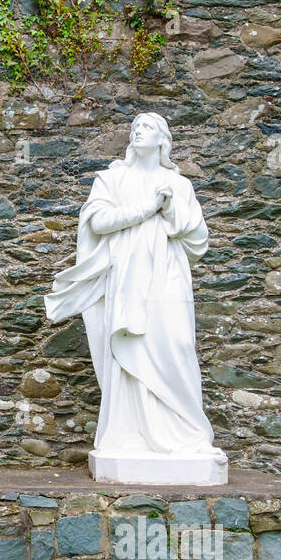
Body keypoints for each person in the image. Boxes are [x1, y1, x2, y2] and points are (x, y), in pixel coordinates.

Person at [45, 113, 226, 468]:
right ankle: (128, 435)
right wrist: (148, 207)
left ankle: (186, 433)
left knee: (175, 344)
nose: (137, 131)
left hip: (168, 274)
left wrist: (170, 205)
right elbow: (98, 221)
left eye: (146, 127)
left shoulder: (179, 184)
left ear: (163, 139)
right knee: (130, 348)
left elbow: (198, 238)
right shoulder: (112, 179)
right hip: (126, 276)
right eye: (134, 128)